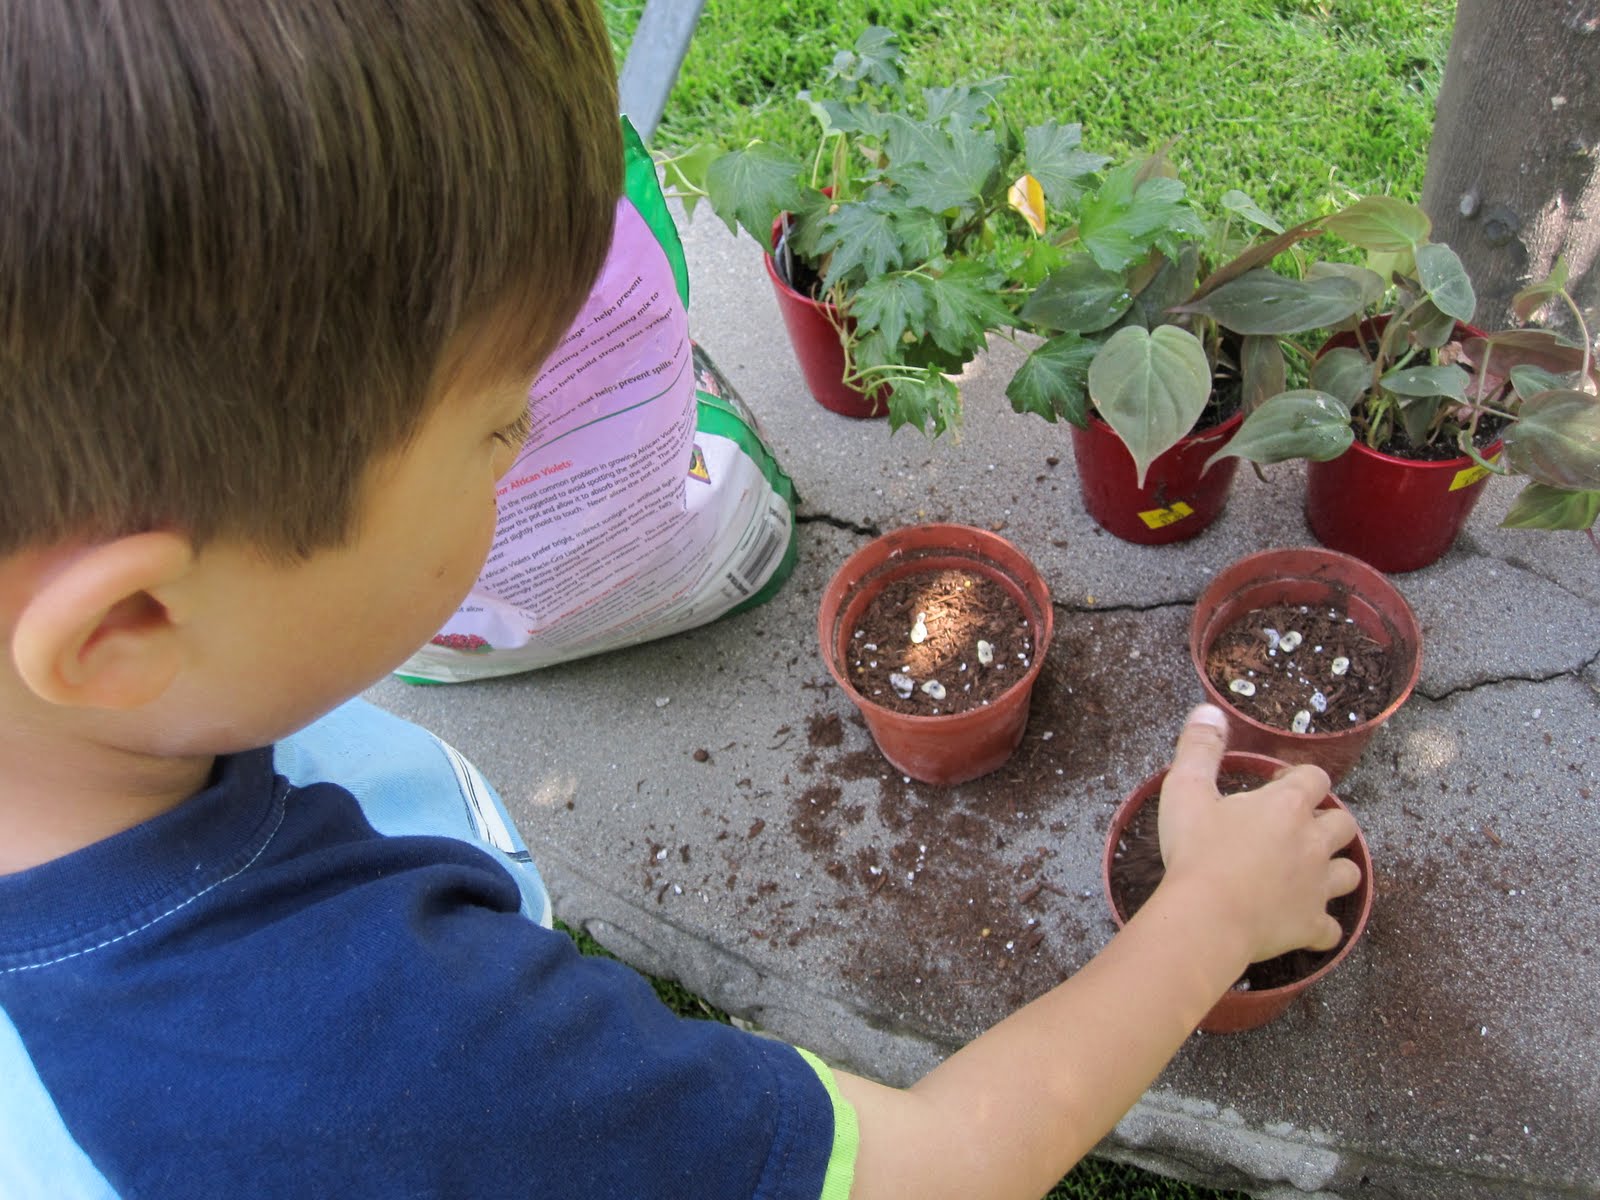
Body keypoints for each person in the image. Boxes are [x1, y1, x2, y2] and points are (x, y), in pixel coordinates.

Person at [0, 3, 1362, 1197]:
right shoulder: (411, 1063)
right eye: (492, 431)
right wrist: (1211, 917)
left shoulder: (145, 733)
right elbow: (933, 1172)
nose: (526, 449)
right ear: (126, 630)